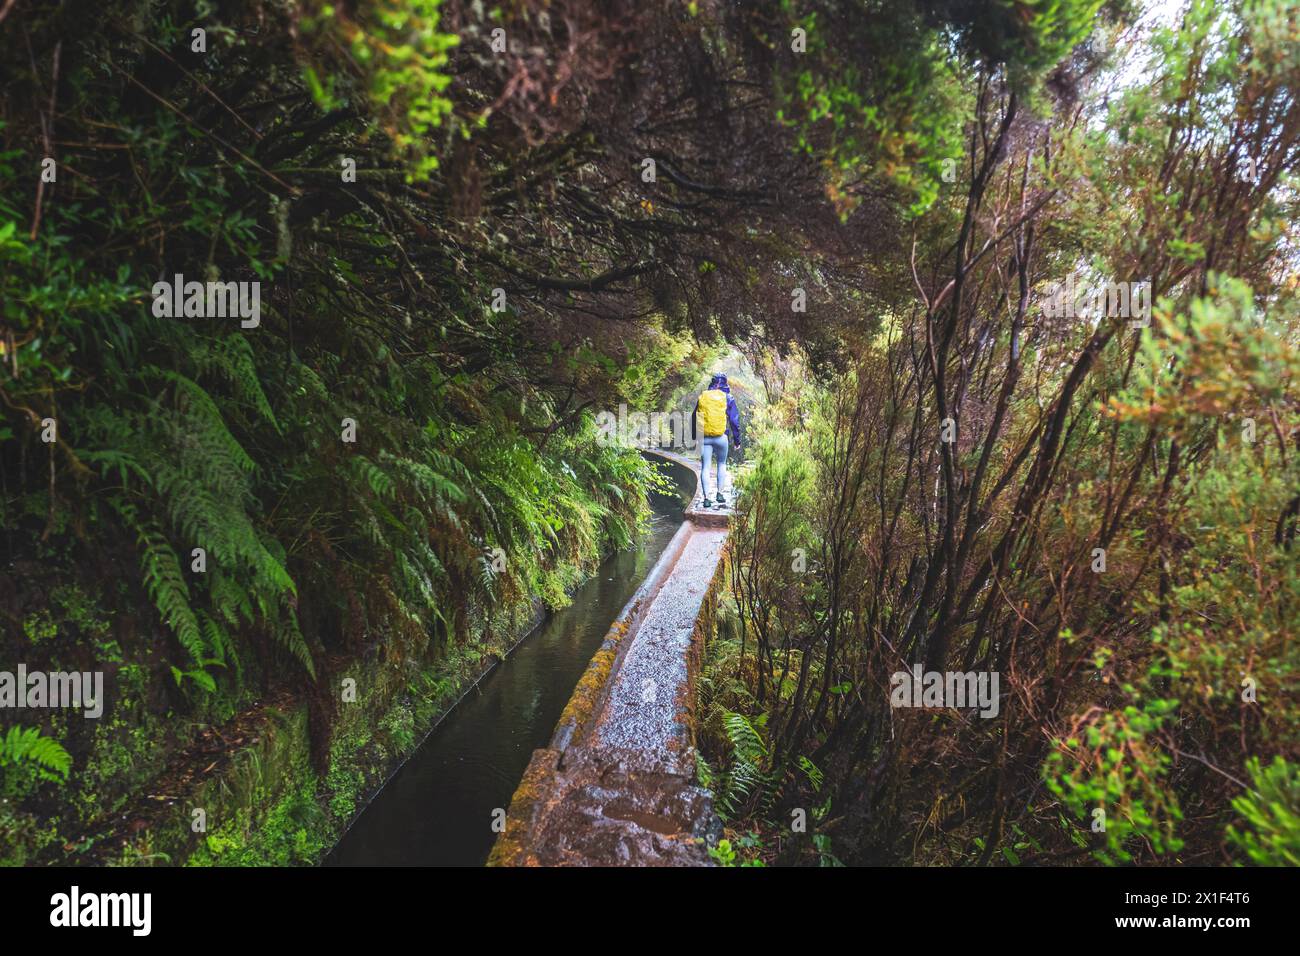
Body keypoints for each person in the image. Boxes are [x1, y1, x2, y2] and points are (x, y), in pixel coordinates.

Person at [690, 373, 741, 509]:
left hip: (704, 438)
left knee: (705, 467)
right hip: (721, 437)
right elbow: (734, 421)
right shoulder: (728, 397)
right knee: (721, 464)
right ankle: (719, 493)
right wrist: (737, 441)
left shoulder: (703, 397)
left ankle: (706, 498)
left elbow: (694, 417)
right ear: (725, 383)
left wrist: (695, 437)